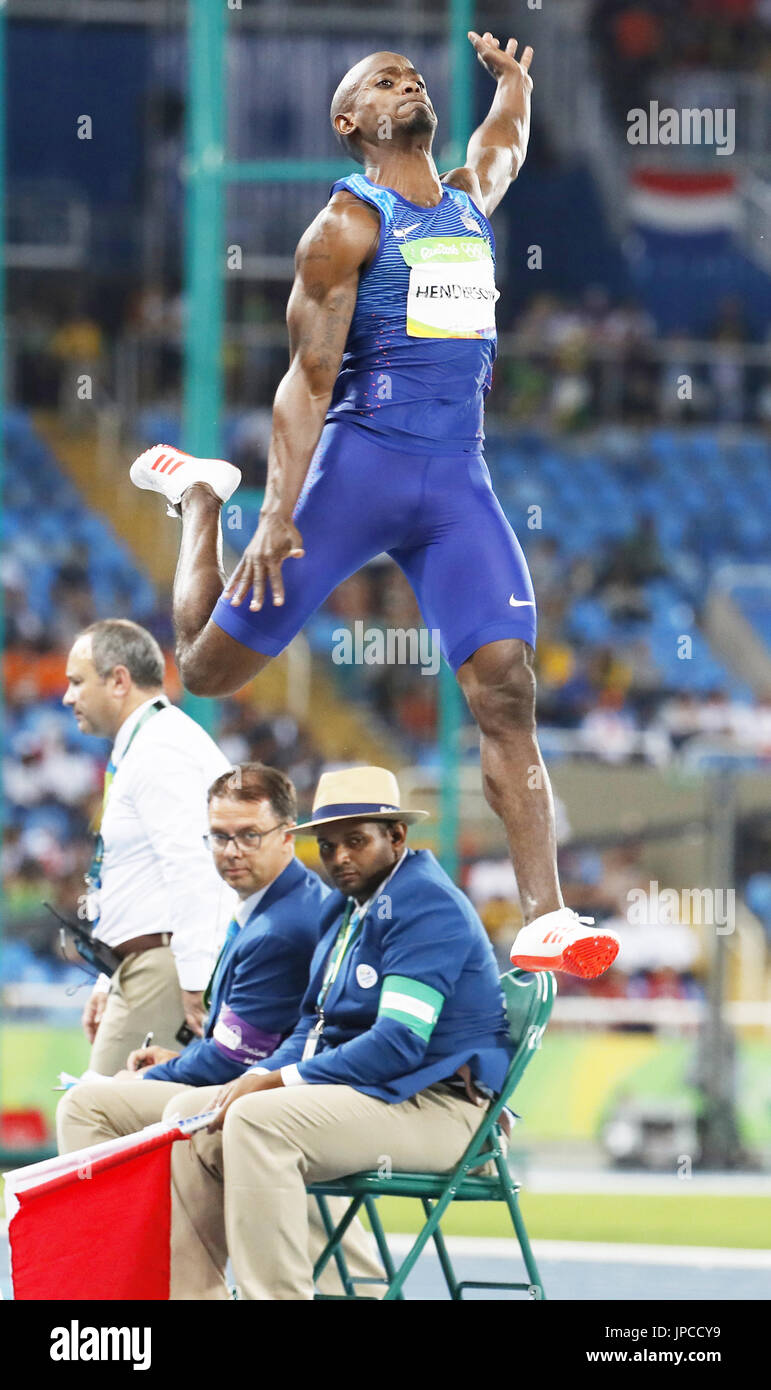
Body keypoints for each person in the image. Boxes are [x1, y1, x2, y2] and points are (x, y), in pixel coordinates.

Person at [128, 33, 618, 980]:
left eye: (413, 74)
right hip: (358, 472)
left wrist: (514, 84)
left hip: (455, 482)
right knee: (207, 670)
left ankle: (546, 915)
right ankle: (197, 497)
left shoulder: (471, 200)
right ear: (349, 122)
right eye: (381, 79)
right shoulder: (347, 225)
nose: (407, 81)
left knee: (506, 687)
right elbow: (305, 383)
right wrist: (273, 509)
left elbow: (505, 140)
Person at [158, 765, 518, 1300]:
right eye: (327, 846)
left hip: (449, 1112)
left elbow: (399, 1041)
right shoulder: (344, 909)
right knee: (190, 1118)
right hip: (387, 1096)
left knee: (258, 1120)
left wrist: (280, 1083)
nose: (340, 858)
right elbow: (312, 1024)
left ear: (396, 836)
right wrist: (260, 1072)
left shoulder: (425, 904)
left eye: (356, 841)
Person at [56, 761, 385, 1297]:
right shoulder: (274, 906)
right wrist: (173, 1062)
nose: (232, 850)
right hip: (276, 1091)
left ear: (287, 837)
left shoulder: (280, 926)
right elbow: (238, 1044)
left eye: (249, 835)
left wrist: (147, 1081)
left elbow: (234, 1060)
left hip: (277, 1095)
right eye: (220, 836)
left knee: (89, 1106)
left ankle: (121, 1286)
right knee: (193, 1117)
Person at [62, 619, 234, 1073]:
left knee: (95, 1119)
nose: (67, 696)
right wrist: (107, 980)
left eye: (77, 682)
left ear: (119, 680)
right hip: (145, 965)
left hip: (164, 967)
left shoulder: (162, 749)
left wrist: (196, 976)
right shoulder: (147, 743)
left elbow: (195, 866)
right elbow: (140, 882)